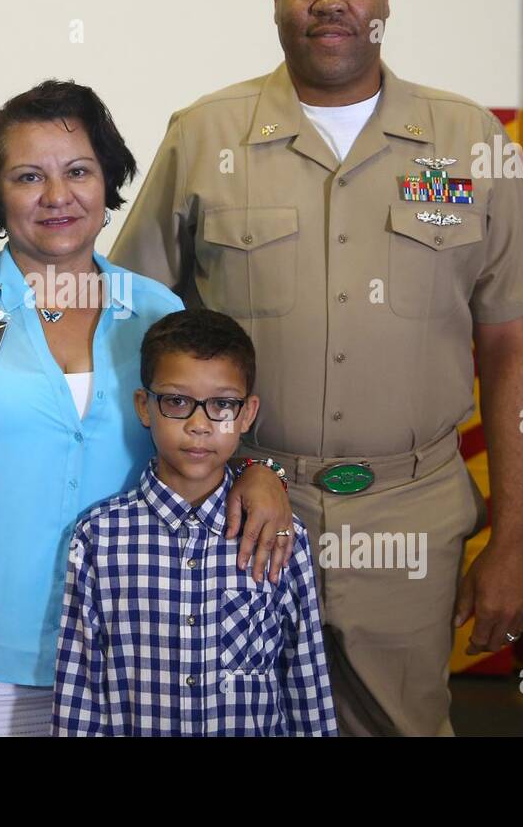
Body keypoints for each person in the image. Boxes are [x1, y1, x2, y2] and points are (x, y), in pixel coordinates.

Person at [110, 0, 523, 736]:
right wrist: (232, 462)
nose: (331, 0)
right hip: (237, 509)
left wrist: (513, 541)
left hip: (411, 515)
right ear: (277, 2)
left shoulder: (464, 142)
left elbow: (509, 349)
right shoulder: (205, 134)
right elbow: (140, 323)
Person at [0, 80, 293, 736]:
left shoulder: (158, 309)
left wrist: (260, 468)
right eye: (27, 177)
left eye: (79, 171)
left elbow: (204, 427)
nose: (57, 197)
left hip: (138, 645)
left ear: (109, 184)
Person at [53, 309, 337, 736]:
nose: (200, 425)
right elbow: (81, 691)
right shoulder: (98, 538)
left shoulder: (281, 537)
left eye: (222, 404)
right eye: (177, 401)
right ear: (144, 407)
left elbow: (305, 681)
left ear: (247, 413)